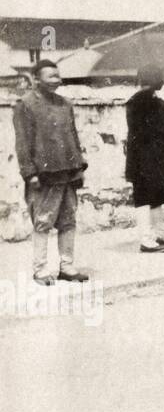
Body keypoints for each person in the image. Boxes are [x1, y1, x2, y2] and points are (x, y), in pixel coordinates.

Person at [13, 59, 88, 284]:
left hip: (69, 172)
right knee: (43, 221)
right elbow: (23, 142)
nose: (58, 80)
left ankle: (67, 267)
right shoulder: (25, 104)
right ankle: (40, 269)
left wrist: (80, 167)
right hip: (44, 175)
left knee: (68, 221)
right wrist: (30, 173)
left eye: (58, 76)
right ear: (36, 79)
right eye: (51, 76)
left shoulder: (66, 104)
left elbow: (74, 137)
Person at [124, 65, 164, 251]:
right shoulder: (140, 102)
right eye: (159, 78)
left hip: (155, 157)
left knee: (157, 196)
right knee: (144, 197)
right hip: (145, 158)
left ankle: (159, 233)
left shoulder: (151, 101)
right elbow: (145, 132)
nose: (163, 82)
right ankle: (146, 239)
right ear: (151, 79)